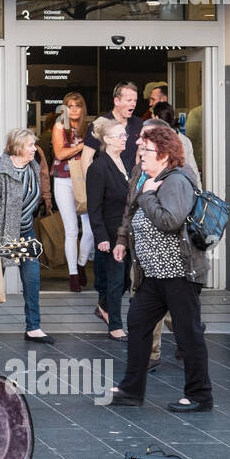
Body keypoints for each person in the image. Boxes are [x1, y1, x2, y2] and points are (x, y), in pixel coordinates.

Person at [110, 125, 214, 412]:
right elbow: (133, 213)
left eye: (147, 151)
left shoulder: (177, 181)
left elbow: (170, 221)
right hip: (153, 275)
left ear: (165, 155)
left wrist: (147, 196)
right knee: (138, 324)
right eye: (141, 149)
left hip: (179, 273)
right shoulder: (149, 178)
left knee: (187, 333)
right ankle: (131, 390)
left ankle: (200, 395)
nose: (141, 155)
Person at [0, 128, 54, 342]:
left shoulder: (33, 167)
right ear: (18, 147)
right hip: (0, 233)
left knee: (32, 278)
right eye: (30, 145)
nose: (34, 149)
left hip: (25, 230)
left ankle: (33, 327)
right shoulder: (2, 171)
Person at [86, 118, 129, 341]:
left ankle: (103, 305)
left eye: (125, 135)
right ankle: (115, 325)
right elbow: (94, 208)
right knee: (117, 279)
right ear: (107, 140)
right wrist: (101, 237)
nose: (125, 139)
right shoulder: (98, 168)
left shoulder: (127, 162)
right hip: (111, 233)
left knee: (128, 281)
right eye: (120, 136)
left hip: (128, 231)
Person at [51, 92, 95, 292]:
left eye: (78, 105)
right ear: (64, 108)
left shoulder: (90, 127)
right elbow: (59, 153)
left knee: (90, 229)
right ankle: (73, 274)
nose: (74, 109)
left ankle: (81, 262)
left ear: (83, 108)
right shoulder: (60, 126)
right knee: (70, 229)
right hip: (62, 180)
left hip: (85, 180)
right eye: (70, 105)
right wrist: (83, 146)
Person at [85, 81, 143, 171]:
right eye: (129, 100)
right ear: (116, 101)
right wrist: (92, 184)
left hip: (132, 182)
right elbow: (86, 159)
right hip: (107, 183)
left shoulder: (139, 123)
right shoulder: (99, 124)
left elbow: (138, 156)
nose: (133, 104)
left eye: (135, 100)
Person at [150, 102, 200, 186]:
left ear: (157, 118)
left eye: (152, 116)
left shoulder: (154, 142)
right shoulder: (185, 140)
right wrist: (198, 191)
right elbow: (193, 170)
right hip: (183, 187)